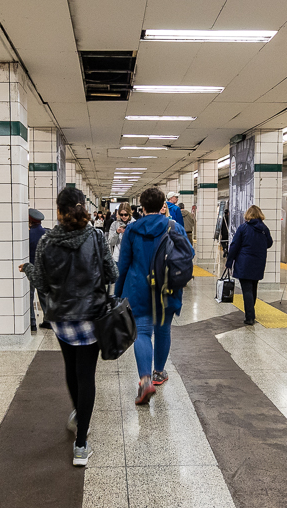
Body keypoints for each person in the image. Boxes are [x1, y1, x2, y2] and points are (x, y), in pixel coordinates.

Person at [21, 187, 117, 467]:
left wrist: (27, 269)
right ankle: (81, 444)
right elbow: (111, 272)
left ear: (59, 211)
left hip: (62, 319)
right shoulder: (97, 237)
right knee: (87, 375)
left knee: (71, 369)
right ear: (82, 208)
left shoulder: (47, 241)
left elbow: (41, 282)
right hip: (91, 317)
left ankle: (77, 412)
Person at [115, 187, 194, 404]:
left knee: (142, 332)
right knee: (163, 330)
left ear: (141, 207)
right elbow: (189, 254)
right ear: (163, 206)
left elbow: (123, 264)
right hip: (167, 288)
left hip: (139, 288)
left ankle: (145, 380)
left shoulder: (131, 230)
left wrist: (117, 292)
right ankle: (159, 372)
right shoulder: (173, 226)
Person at [226, 205, 273, 326]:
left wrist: (229, 261)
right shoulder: (264, 228)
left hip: (244, 262)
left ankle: (250, 317)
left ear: (248, 215)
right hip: (259, 262)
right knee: (253, 288)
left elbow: (234, 245)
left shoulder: (243, 228)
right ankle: (251, 312)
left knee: (246, 290)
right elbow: (269, 243)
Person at [28, 208, 46, 332]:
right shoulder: (46, 234)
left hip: (31, 268)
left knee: (30, 295)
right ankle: (48, 320)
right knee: (44, 295)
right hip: (45, 269)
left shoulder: (27, 235)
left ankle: (32, 321)